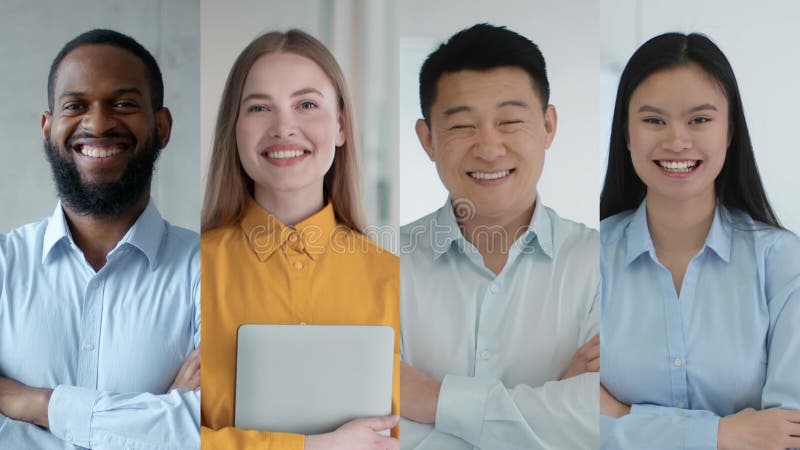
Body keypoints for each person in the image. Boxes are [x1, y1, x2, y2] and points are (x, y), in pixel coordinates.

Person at [400, 23, 600, 450]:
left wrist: (429, 399)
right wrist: (551, 412)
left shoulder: (604, 266)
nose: (489, 147)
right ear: (427, 139)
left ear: (548, 126)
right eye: (461, 126)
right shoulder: (378, 263)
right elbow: (374, 433)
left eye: (509, 121)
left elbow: (601, 421)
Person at [200, 29, 400, 450]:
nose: (283, 128)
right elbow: (156, 435)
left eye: (306, 104)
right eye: (259, 107)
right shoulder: (186, 270)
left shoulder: (395, 280)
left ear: (342, 125)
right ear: (234, 129)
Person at [0, 29, 200, 449]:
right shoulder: (4, 265)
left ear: (161, 127)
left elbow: (204, 429)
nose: (98, 123)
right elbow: (175, 432)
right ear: (47, 127)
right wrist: (155, 418)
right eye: (75, 105)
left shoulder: (212, 272)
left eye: (123, 104)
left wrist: (30, 403)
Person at [599, 32, 800, 450]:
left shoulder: (781, 262)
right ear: (626, 133)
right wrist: (719, 434)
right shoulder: (585, 256)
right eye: (654, 120)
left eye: (700, 120)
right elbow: (566, 420)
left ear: (729, 131)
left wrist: (623, 417)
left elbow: (787, 435)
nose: (676, 141)